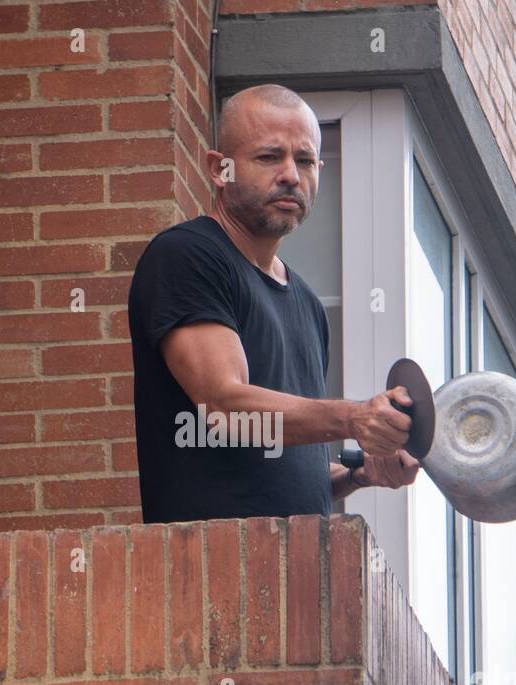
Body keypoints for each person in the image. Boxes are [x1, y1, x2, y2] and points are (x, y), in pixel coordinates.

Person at [127, 83, 420, 523]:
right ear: (219, 168)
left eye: (304, 161)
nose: (290, 175)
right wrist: (353, 417)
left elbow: (282, 458)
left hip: (298, 571)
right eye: (269, 157)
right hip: (209, 566)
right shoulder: (187, 256)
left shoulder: (307, 304)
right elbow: (224, 407)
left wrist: (358, 475)